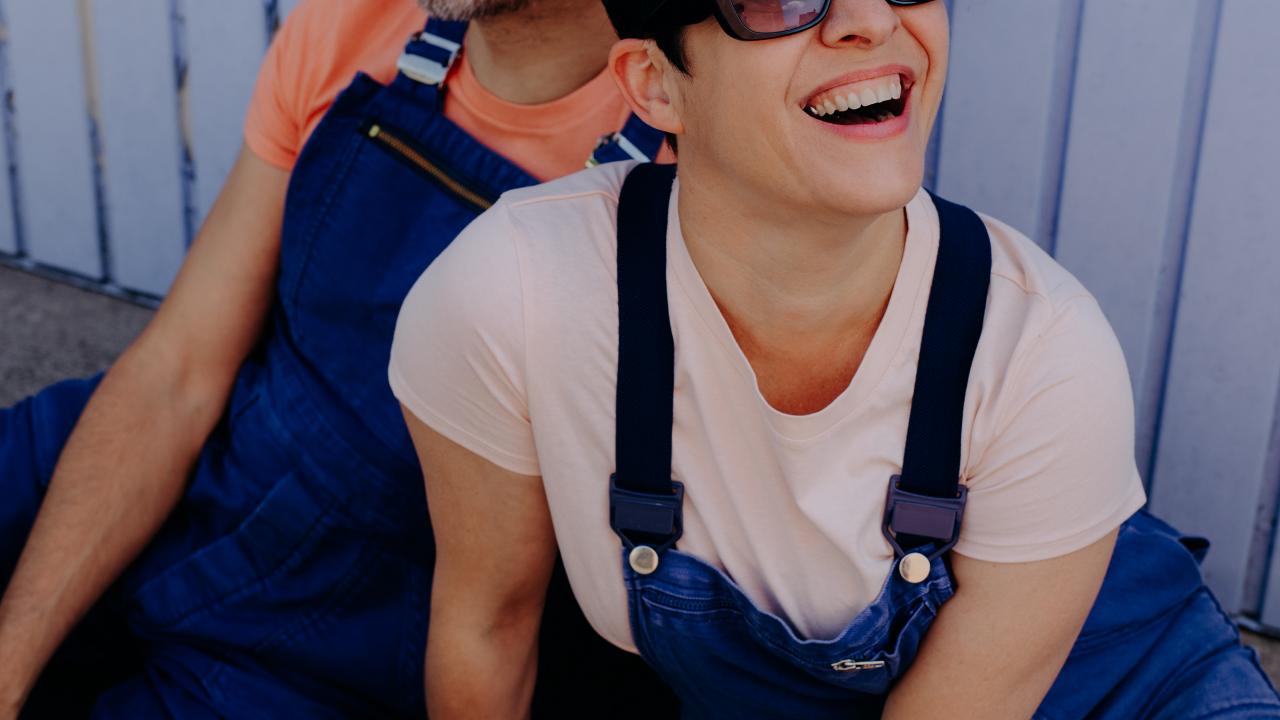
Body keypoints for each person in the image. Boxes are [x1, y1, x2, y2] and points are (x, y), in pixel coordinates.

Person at [391, 0, 1280, 717]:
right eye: (779, 0)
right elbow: (485, 630)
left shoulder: (1044, 355)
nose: (870, 18)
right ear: (657, 85)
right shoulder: (511, 296)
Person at [0, 0, 676, 716]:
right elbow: (178, 370)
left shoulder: (690, 157)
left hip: (358, 622)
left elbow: (504, 608)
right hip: (217, 452)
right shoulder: (354, 21)